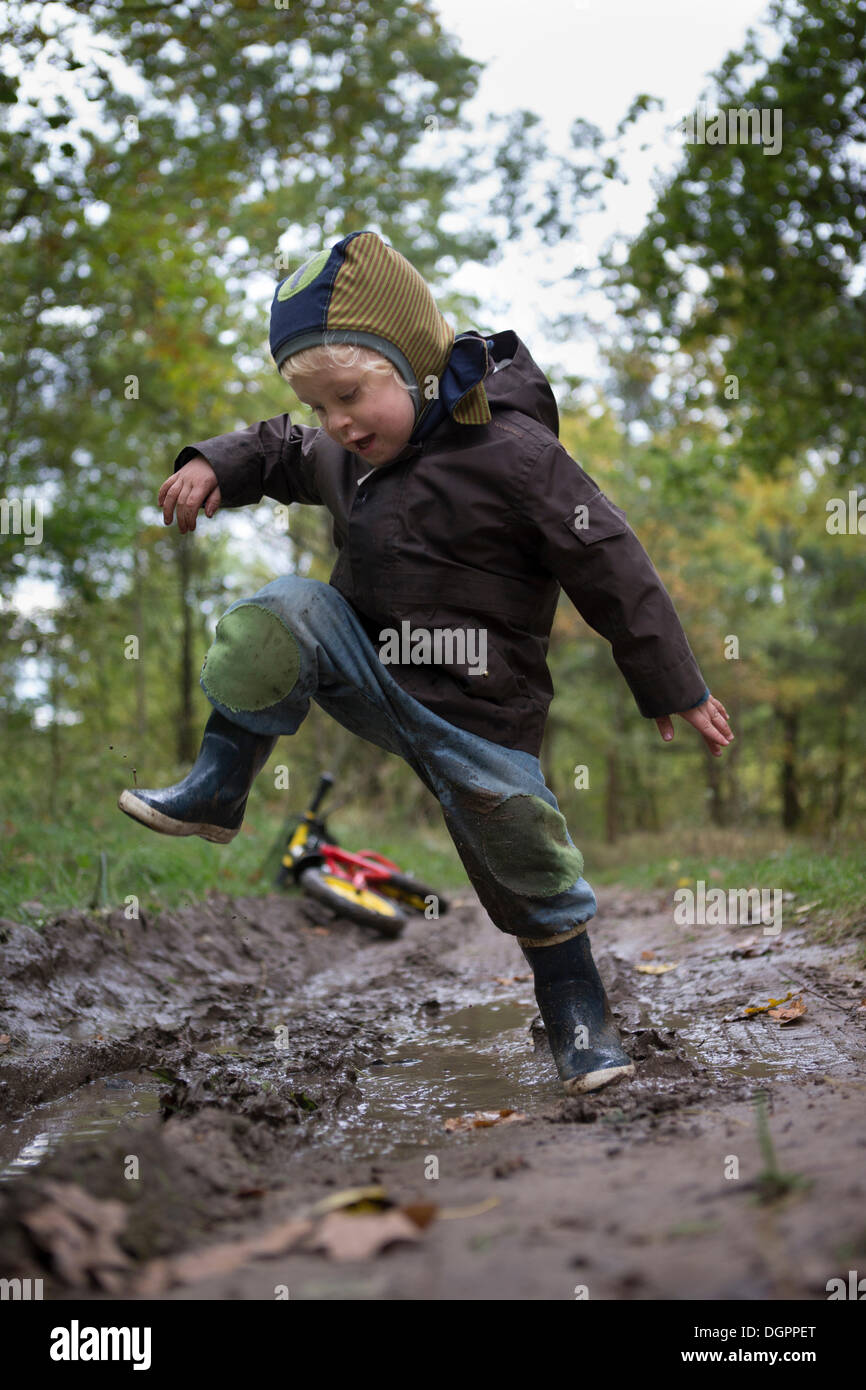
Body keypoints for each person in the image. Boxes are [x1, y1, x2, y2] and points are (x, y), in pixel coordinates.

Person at [118, 229, 734, 1096]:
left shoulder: (516, 457)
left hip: (480, 705)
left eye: (351, 395)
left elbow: (612, 563)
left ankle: (576, 1010)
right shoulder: (341, 448)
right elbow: (280, 447)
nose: (337, 422)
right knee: (279, 610)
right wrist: (215, 462)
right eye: (321, 405)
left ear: (412, 364)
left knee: (525, 850)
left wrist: (672, 680)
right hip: (368, 667)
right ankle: (220, 784)